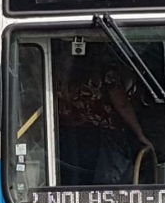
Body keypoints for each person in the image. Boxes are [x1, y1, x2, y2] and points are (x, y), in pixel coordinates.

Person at [55, 57, 151, 185]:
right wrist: (140, 134)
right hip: (98, 137)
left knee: (73, 182)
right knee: (104, 181)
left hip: (65, 135)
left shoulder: (60, 70)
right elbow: (121, 103)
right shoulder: (105, 71)